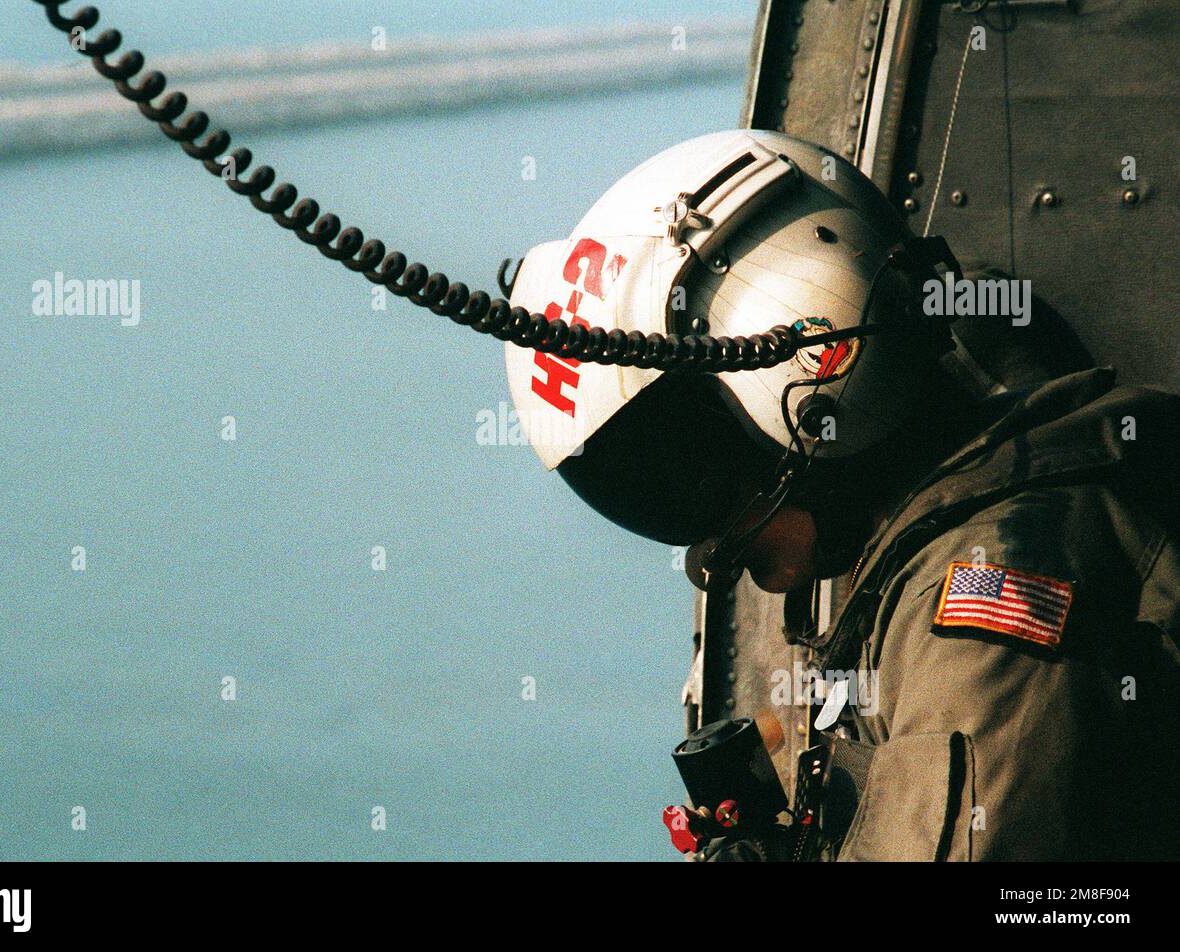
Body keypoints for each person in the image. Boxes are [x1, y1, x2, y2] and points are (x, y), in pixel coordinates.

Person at [504, 129, 1180, 860]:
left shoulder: (986, 614)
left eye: (695, 475)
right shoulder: (987, 498)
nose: (709, 557)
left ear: (816, 371)